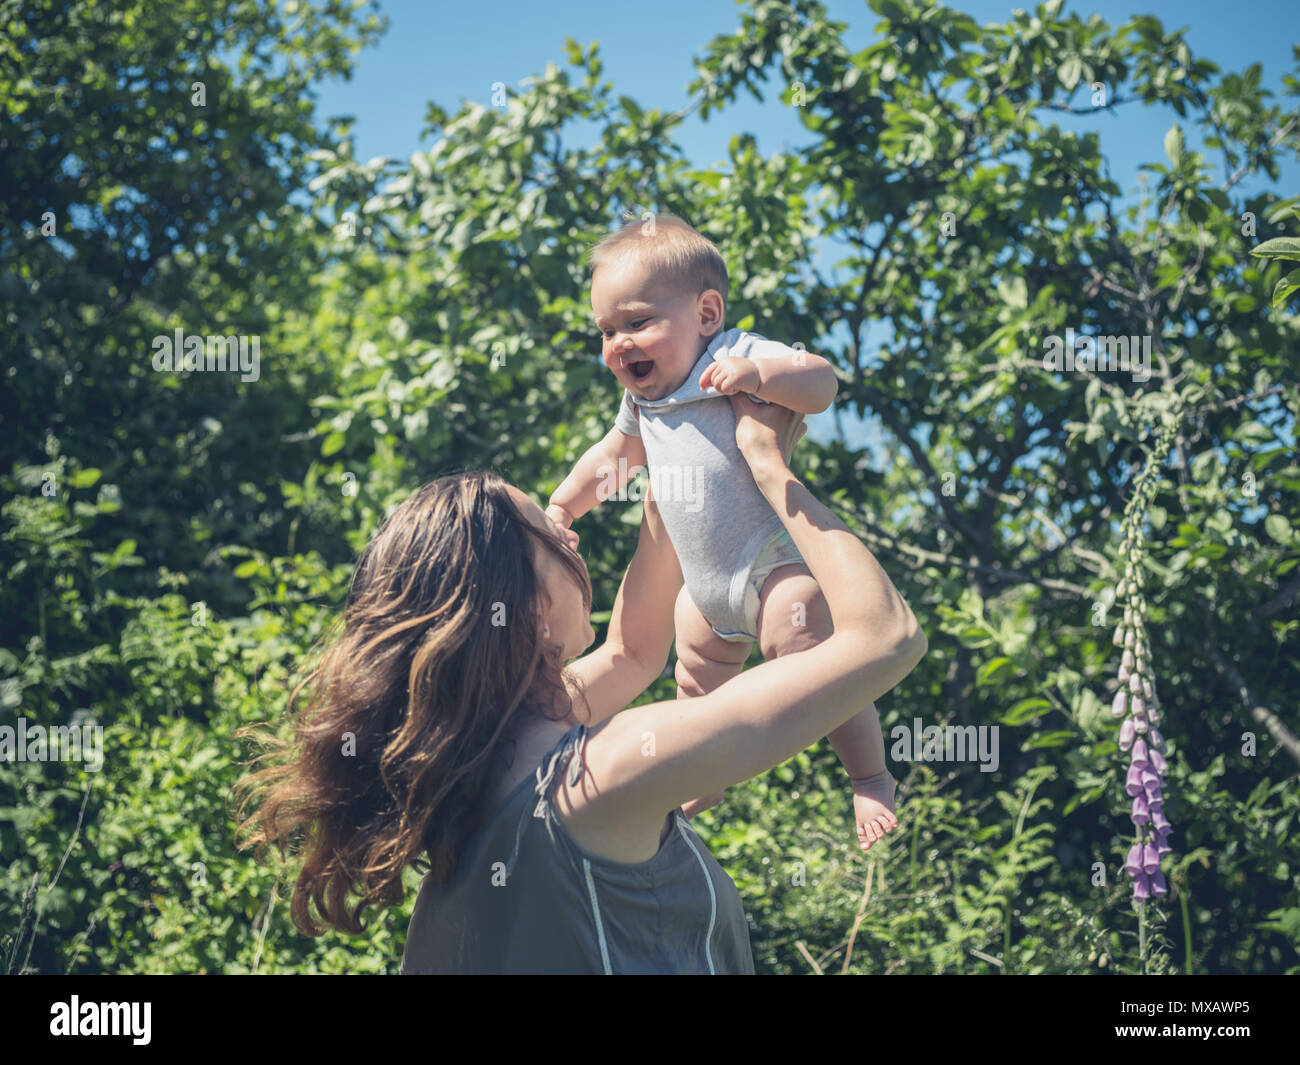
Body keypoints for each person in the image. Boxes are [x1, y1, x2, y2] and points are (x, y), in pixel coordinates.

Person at [233, 393, 926, 974]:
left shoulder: (484, 773)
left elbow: (633, 651)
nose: (572, 536)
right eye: (548, 529)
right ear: (519, 602)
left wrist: (682, 474)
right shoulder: (606, 769)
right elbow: (886, 638)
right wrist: (771, 467)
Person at [546, 211, 896, 844]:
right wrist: (563, 508)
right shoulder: (641, 403)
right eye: (606, 331)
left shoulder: (731, 352)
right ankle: (701, 773)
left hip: (771, 565)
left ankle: (868, 777)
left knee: (811, 649)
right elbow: (611, 460)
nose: (619, 344)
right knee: (695, 679)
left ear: (706, 314)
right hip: (704, 590)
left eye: (638, 322)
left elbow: (821, 382)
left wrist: (762, 376)